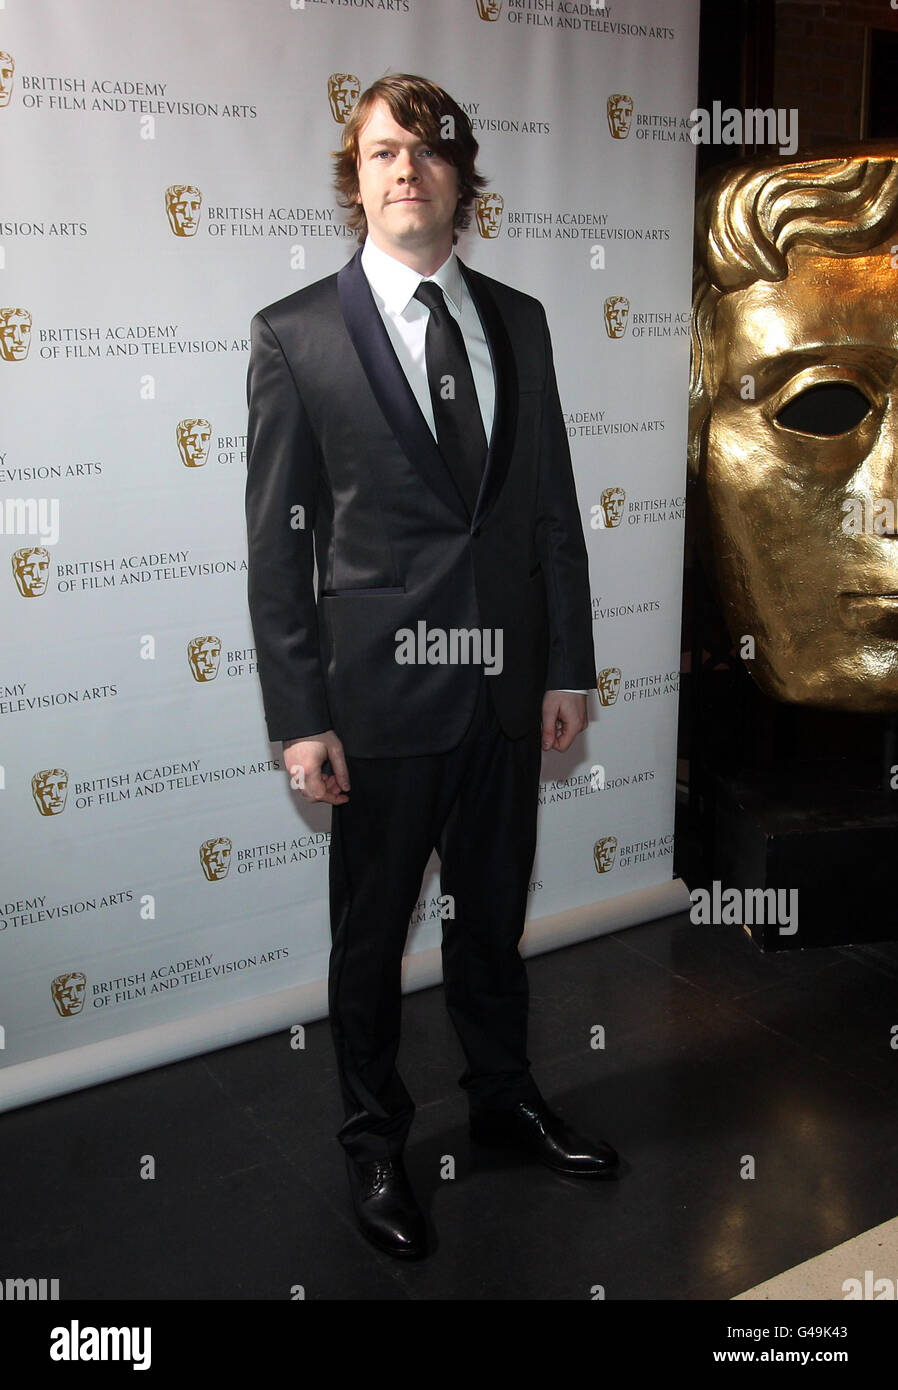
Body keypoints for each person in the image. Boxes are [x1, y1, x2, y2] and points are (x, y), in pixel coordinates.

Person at [245, 73, 620, 1261]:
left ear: (463, 175)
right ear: (355, 184)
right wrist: (300, 714)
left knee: (490, 922)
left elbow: (551, 507)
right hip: (381, 701)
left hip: (509, 691)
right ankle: (372, 1142)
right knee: (368, 943)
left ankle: (502, 1099)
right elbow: (279, 550)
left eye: (426, 149)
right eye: (379, 153)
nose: (405, 167)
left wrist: (569, 664)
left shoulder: (520, 319)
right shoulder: (295, 333)